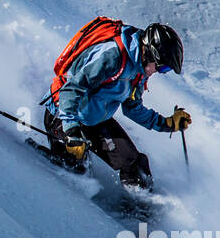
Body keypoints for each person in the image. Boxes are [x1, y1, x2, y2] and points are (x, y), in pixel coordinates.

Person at [42, 18, 190, 190]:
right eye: (162, 68)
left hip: (93, 121)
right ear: (149, 53)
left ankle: (141, 207)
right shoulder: (112, 56)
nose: (159, 72)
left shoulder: (139, 72)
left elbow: (132, 108)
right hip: (64, 116)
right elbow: (72, 89)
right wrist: (72, 131)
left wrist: (167, 124)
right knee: (77, 168)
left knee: (135, 166)